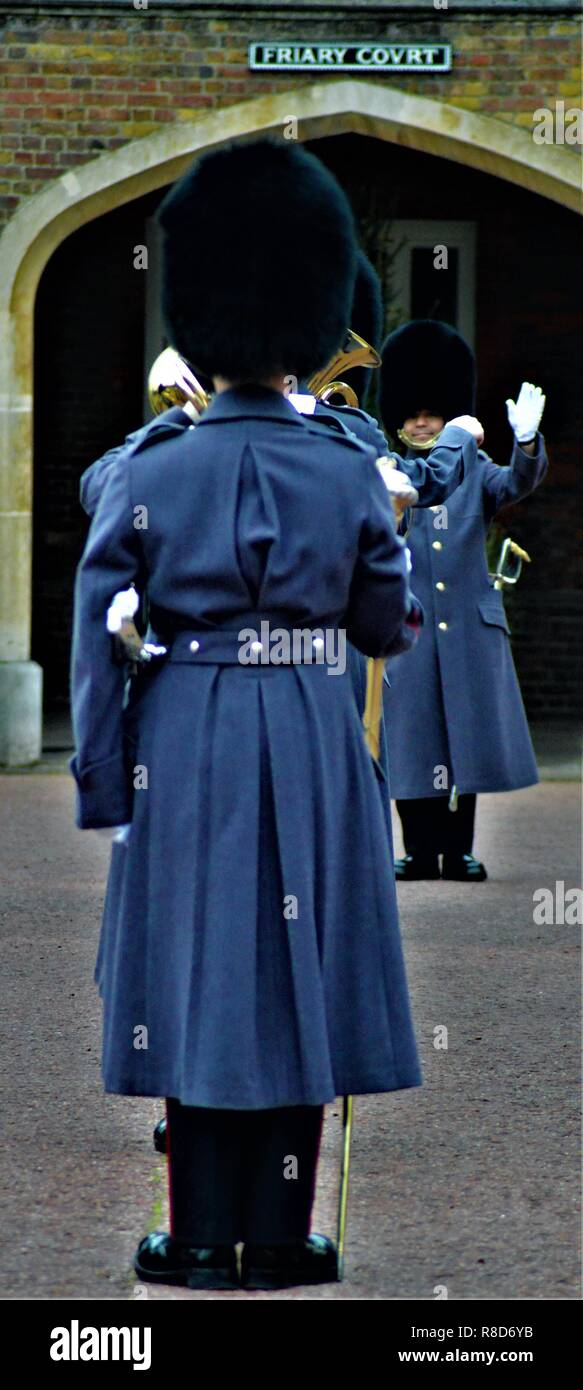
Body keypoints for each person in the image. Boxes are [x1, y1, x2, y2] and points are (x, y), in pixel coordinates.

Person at [71, 137, 424, 1292]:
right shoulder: (346, 464)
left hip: (184, 733)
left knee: (196, 973)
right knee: (298, 971)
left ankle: (196, 1237)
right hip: (316, 726)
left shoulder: (148, 465)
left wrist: (102, 776)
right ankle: (281, 1238)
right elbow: (384, 620)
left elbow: (95, 618)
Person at [379, 319, 548, 882]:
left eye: (433, 411)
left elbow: (515, 485)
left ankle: (459, 850)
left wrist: (525, 444)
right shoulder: (387, 470)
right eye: (413, 412)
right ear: (398, 418)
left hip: (467, 625)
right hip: (409, 627)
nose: (423, 421)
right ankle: (420, 850)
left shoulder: (472, 468)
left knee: (464, 743)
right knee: (412, 737)